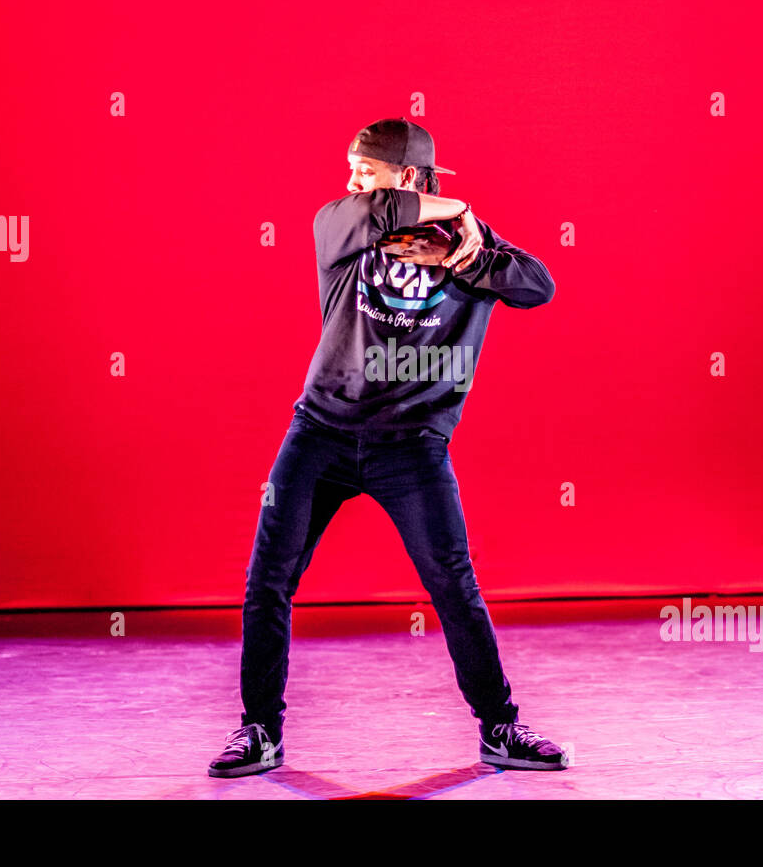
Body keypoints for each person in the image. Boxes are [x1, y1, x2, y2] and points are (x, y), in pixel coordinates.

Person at [208, 117, 565, 777]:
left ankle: (500, 727)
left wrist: (473, 250)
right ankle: (260, 728)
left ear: (404, 175)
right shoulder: (340, 226)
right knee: (269, 578)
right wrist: (460, 208)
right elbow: (380, 208)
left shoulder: (467, 247)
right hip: (320, 433)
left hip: (412, 448)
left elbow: (539, 285)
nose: (349, 180)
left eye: (362, 170)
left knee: (454, 586)